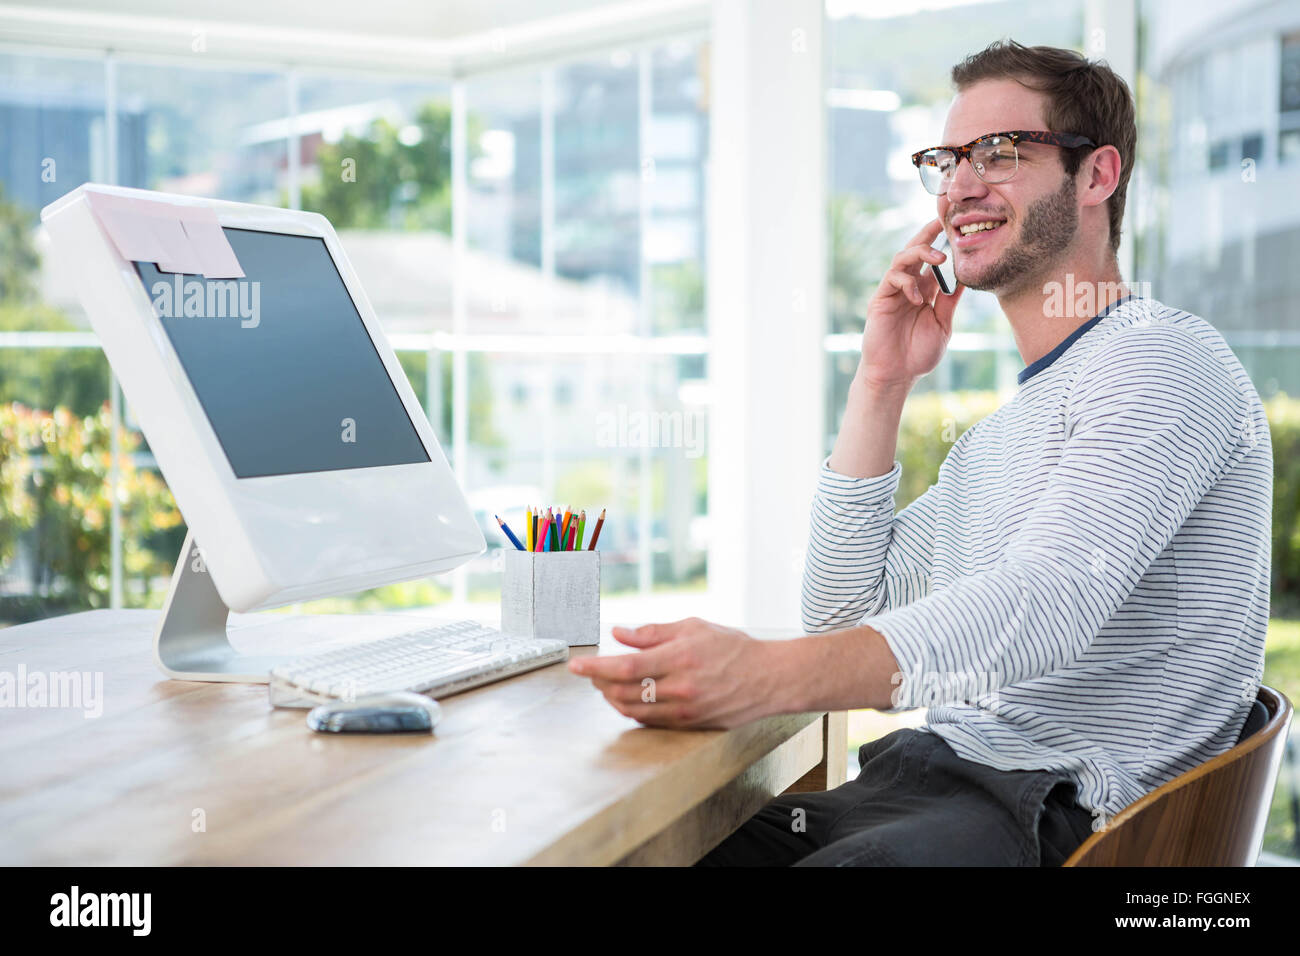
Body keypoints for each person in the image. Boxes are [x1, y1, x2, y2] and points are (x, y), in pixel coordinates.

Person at [568, 39, 1272, 866]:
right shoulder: (1000, 439)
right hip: (920, 787)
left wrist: (766, 675)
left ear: (1097, 176)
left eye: (999, 153)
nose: (959, 187)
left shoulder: (1160, 361)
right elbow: (842, 614)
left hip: (1054, 816)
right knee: (639, 853)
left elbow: (1043, 608)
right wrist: (880, 380)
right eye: (947, 160)